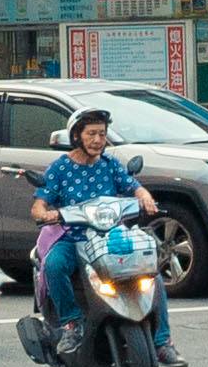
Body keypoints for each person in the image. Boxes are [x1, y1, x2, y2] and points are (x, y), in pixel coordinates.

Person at [30, 103, 144, 344]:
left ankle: (163, 340)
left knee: (148, 265)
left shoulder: (110, 164)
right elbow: (39, 204)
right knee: (54, 266)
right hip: (73, 238)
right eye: (91, 134)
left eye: (102, 134)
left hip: (111, 239)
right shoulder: (60, 167)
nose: (97, 140)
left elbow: (133, 186)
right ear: (76, 136)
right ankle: (71, 322)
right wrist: (46, 214)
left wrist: (145, 197)